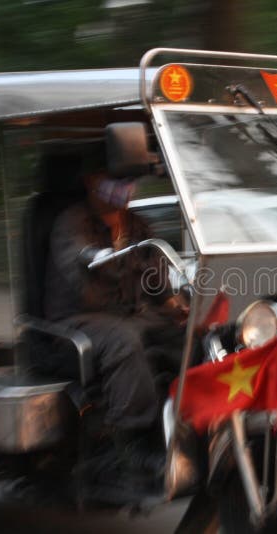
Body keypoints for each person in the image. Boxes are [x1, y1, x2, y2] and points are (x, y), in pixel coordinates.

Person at [43, 167, 187, 482]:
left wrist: (177, 306)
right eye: (111, 178)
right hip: (76, 322)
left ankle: (190, 421)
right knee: (124, 340)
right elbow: (82, 266)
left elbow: (157, 282)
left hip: (130, 315)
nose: (123, 187)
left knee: (187, 332)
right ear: (90, 179)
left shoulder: (136, 224)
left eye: (126, 180)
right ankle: (128, 444)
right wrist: (100, 255)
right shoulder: (71, 223)